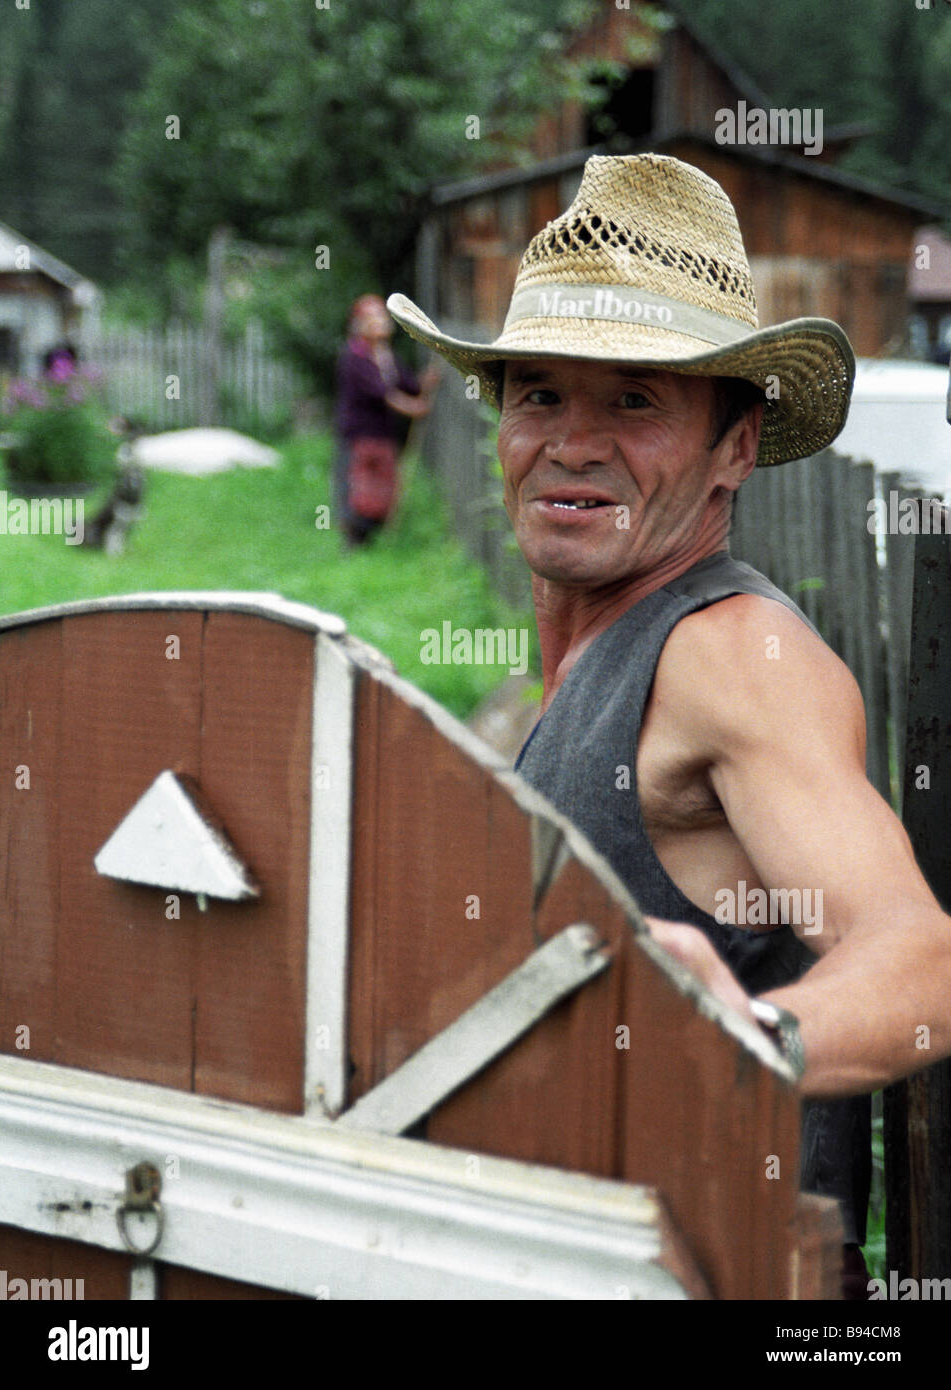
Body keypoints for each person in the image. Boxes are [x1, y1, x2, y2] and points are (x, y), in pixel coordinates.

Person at [387, 153, 951, 1299]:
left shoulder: (733, 657)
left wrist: (738, 1036)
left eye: (635, 399)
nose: (573, 441)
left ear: (734, 445)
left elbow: (923, 965)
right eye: (539, 391)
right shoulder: (605, 647)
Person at [333, 294, 439, 547]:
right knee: (361, 484)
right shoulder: (355, 355)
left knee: (384, 483)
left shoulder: (385, 354)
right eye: (372, 317)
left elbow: (408, 385)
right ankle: (355, 538)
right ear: (359, 324)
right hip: (361, 432)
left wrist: (428, 381)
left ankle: (376, 536)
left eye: (381, 316)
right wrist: (413, 408)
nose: (380, 322)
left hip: (383, 432)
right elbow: (382, 393)